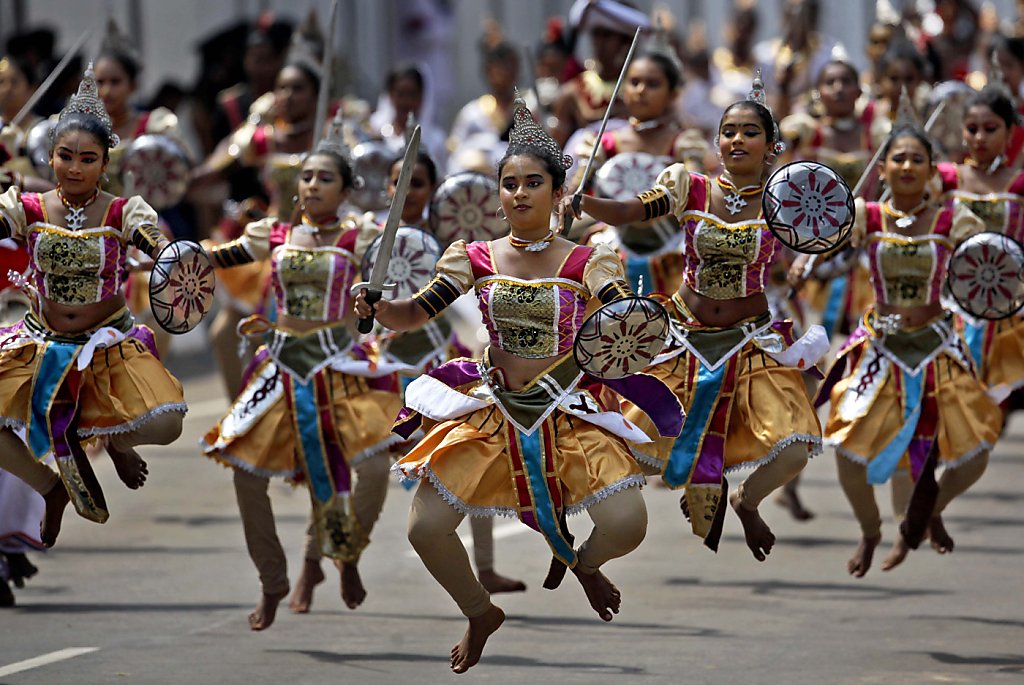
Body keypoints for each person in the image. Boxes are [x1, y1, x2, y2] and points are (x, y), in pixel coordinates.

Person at [355, 93, 680, 673]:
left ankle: (584, 563)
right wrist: (377, 306)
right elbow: (412, 315)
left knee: (628, 524)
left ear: (559, 194)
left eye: (534, 182)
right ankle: (480, 612)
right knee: (425, 529)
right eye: (510, 183)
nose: (520, 193)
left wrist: (633, 315)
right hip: (494, 406)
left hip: (564, 408)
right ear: (497, 193)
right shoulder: (474, 256)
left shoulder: (589, 261)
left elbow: (619, 318)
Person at [563, 73, 827, 560]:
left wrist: (811, 256)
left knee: (794, 446)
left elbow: (819, 238)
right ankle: (586, 535)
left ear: (771, 146)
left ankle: (747, 501)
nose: (737, 140)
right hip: (683, 336)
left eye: (750, 132)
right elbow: (630, 212)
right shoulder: (690, 187)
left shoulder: (783, 202)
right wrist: (584, 203)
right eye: (728, 131)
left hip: (750, 342)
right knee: (630, 442)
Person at [201, 116, 403, 631]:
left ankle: (343, 554)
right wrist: (164, 256)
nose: (312, 185)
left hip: (341, 365)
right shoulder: (274, 233)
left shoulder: (362, 239)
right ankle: (273, 579)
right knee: (245, 474)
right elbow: (219, 257)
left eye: (325, 178)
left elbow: (390, 290)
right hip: (281, 366)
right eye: (307, 176)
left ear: (346, 189)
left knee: (375, 468)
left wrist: (371, 302)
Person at [795, 123, 1002, 577]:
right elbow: (820, 244)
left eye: (917, 159)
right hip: (880, 347)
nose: (907, 166)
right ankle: (870, 531)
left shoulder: (953, 219)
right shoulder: (867, 215)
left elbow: (987, 263)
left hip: (937, 346)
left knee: (976, 452)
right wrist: (802, 261)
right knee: (847, 451)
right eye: (898, 158)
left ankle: (924, 513)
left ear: (931, 170)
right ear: (883, 168)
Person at [0, 64, 186, 548]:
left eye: (87, 158)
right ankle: (49, 487)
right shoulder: (29, 207)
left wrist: (162, 252)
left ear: (106, 163)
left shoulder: (123, 211)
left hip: (106, 345)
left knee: (167, 422)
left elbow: (153, 242)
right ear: (51, 157)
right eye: (65, 156)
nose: (75, 168)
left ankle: (118, 443)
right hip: (40, 342)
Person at [573, 47, 709, 295]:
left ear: (672, 94)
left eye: (653, 84)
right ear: (623, 89)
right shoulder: (602, 144)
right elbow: (576, 189)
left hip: (672, 247)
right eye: (634, 82)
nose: (641, 90)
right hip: (614, 242)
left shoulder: (684, 144)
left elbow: (697, 191)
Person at [934, 85, 1024, 419]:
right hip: (951, 303)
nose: (979, 138)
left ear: (1009, 132)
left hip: (1009, 307)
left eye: (990, 129)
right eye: (972, 129)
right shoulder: (945, 179)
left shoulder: (1019, 184)